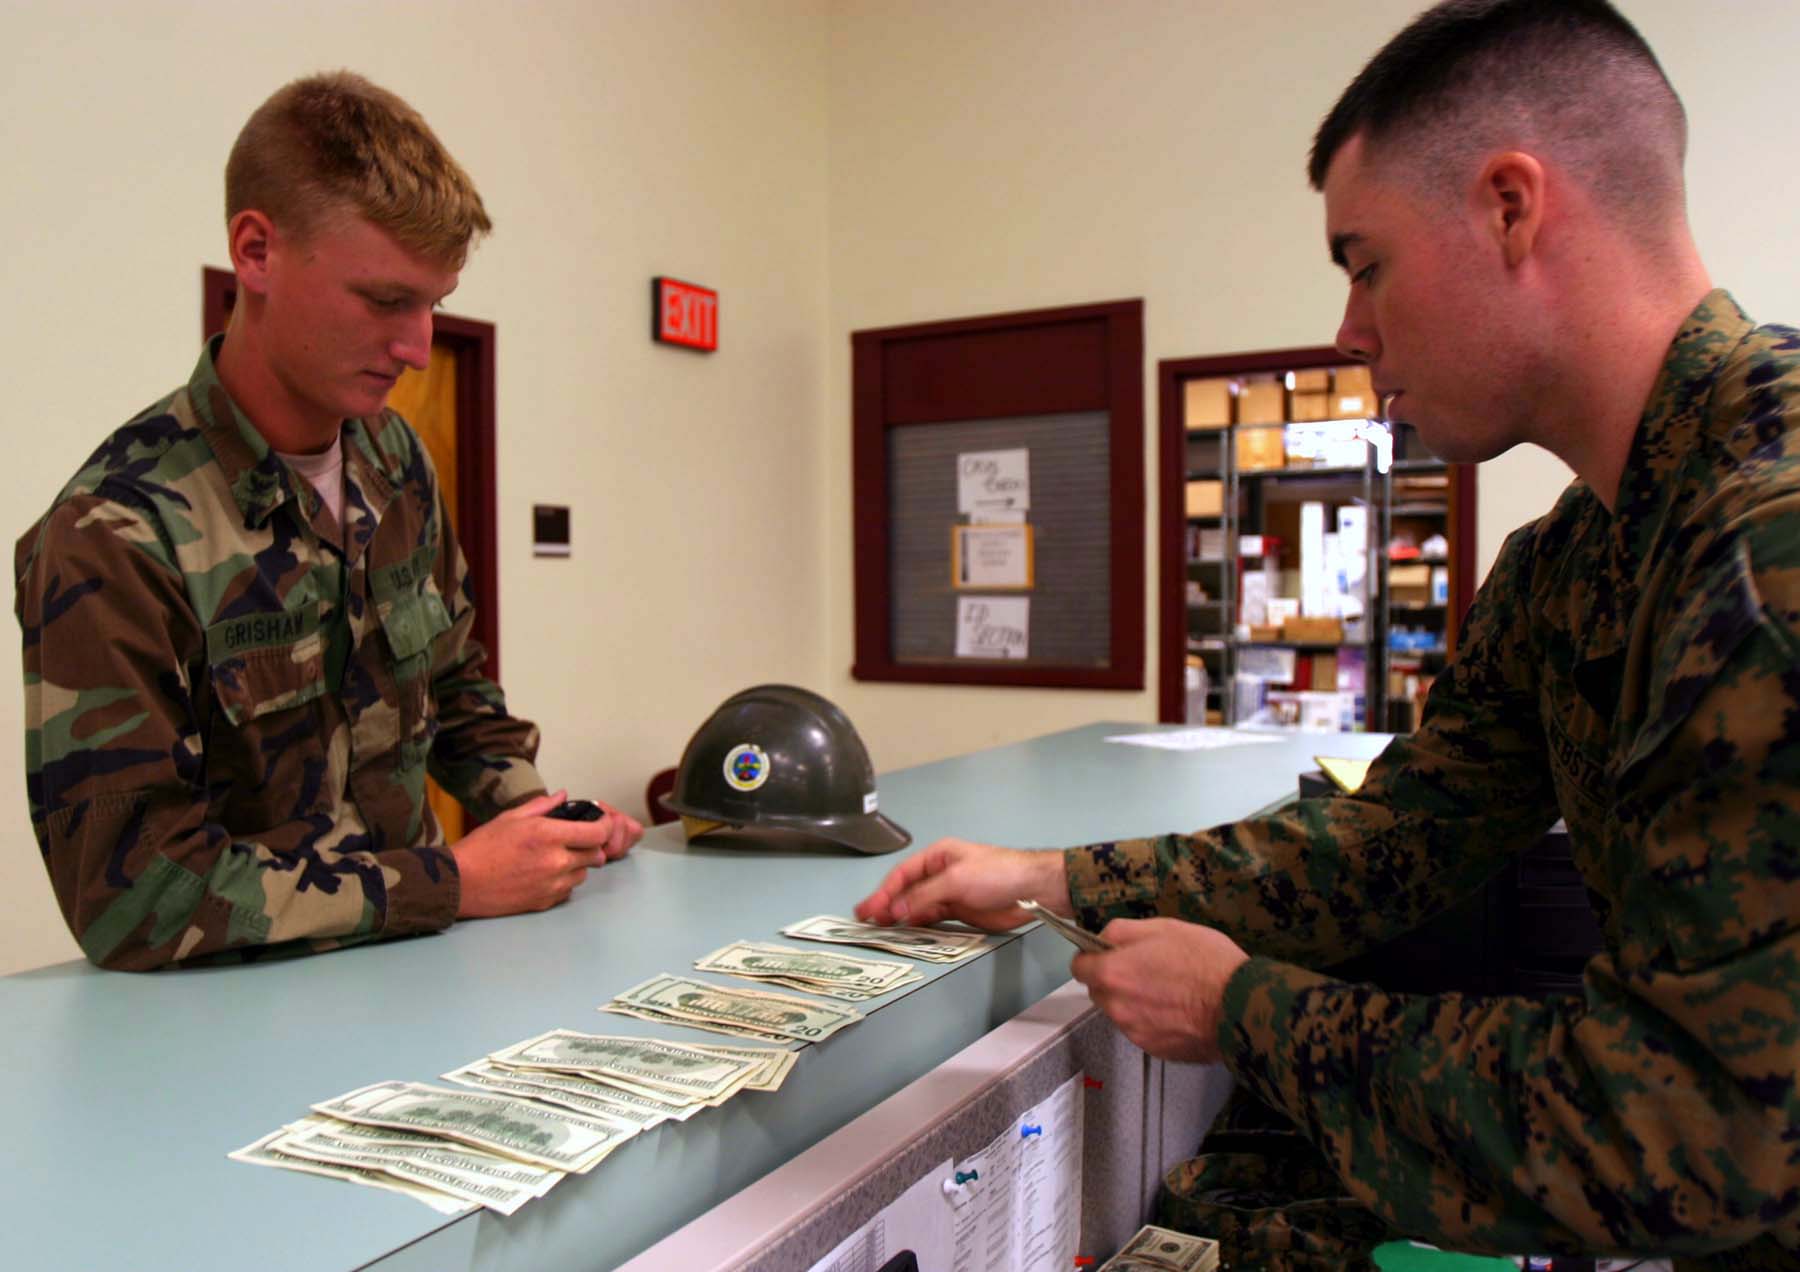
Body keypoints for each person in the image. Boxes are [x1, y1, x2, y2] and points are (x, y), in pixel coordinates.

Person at [858, 1, 1800, 1266]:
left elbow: (1695, 1133)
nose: (1350, 331)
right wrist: (1053, 882)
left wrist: (1248, 1011)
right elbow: (1393, 838)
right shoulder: (1581, 555)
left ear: (1511, 208)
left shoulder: (1765, 544)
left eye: (1366, 264)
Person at [15, 72, 641, 972]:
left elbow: (457, 692)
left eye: (435, 302)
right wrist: (453, 882)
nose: (419, 346)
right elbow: (132, 897)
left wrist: (543, 819)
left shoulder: (395, 463)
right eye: (387, 301)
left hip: (412, 984)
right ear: (257, 251)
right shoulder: (114, 532)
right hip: (229, 1029)